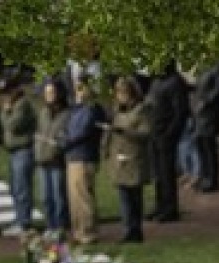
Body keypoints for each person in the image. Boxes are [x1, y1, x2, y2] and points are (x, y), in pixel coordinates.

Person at [104, 77, 152, 243]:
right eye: (118, 93)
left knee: (134, 197)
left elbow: (145, 133)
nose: (120, 96)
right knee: (124, 197)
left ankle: (135, 229)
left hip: (134, 158)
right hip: (119, 159)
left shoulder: (141, 110)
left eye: (123, 92)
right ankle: (128, 229)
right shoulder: (117, 111)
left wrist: (125, 131)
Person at [61, 77, 107, 244]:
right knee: (74, 197)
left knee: (84, 195)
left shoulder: (92, 109)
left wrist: (66, 141)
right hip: (73, 156)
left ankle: (88, 231)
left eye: (82, 88)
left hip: (84, 156)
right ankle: (78, 230)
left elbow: (84, 131)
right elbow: (68, 128)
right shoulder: (76, 109)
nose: (79, 92)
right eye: (77, 89)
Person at [146, 61, 188, 222]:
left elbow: (180, 112)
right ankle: (160, 205)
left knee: (167, 172)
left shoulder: (175, 83)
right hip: (155, 132)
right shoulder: (157, 82)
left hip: (166, 133)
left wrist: (170, 134)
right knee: (158, 172)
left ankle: (170, 208)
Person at [34, 78, 71, 236]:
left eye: (52, 92)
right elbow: (39, 132)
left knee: (59, 196)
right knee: (45, 197)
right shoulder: (43, 112)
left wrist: (57, 144)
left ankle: (61, 227)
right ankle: (50, 226)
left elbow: (67, 136)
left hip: (57, 160)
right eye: (47, 92)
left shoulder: (66, 114)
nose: (49, 95)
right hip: (42, 159)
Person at [1, 77, 36, 236]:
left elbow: (12, 126)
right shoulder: (13, 105)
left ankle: (24, 223)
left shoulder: (22, 104)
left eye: (8, 91)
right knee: (16, 188)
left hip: (23, 150)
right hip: (14, 152)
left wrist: (5, 112)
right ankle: (19, 220)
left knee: (22, 189)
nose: (5, 96)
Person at [193, 63, 219, 192]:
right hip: (199, 112)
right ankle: (204, 176)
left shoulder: (217, 67)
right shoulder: (202, 67)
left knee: (209, 146)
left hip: (210, 113)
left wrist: (206, 101)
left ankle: (212, 180)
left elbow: (218, 89)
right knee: (200, 145)